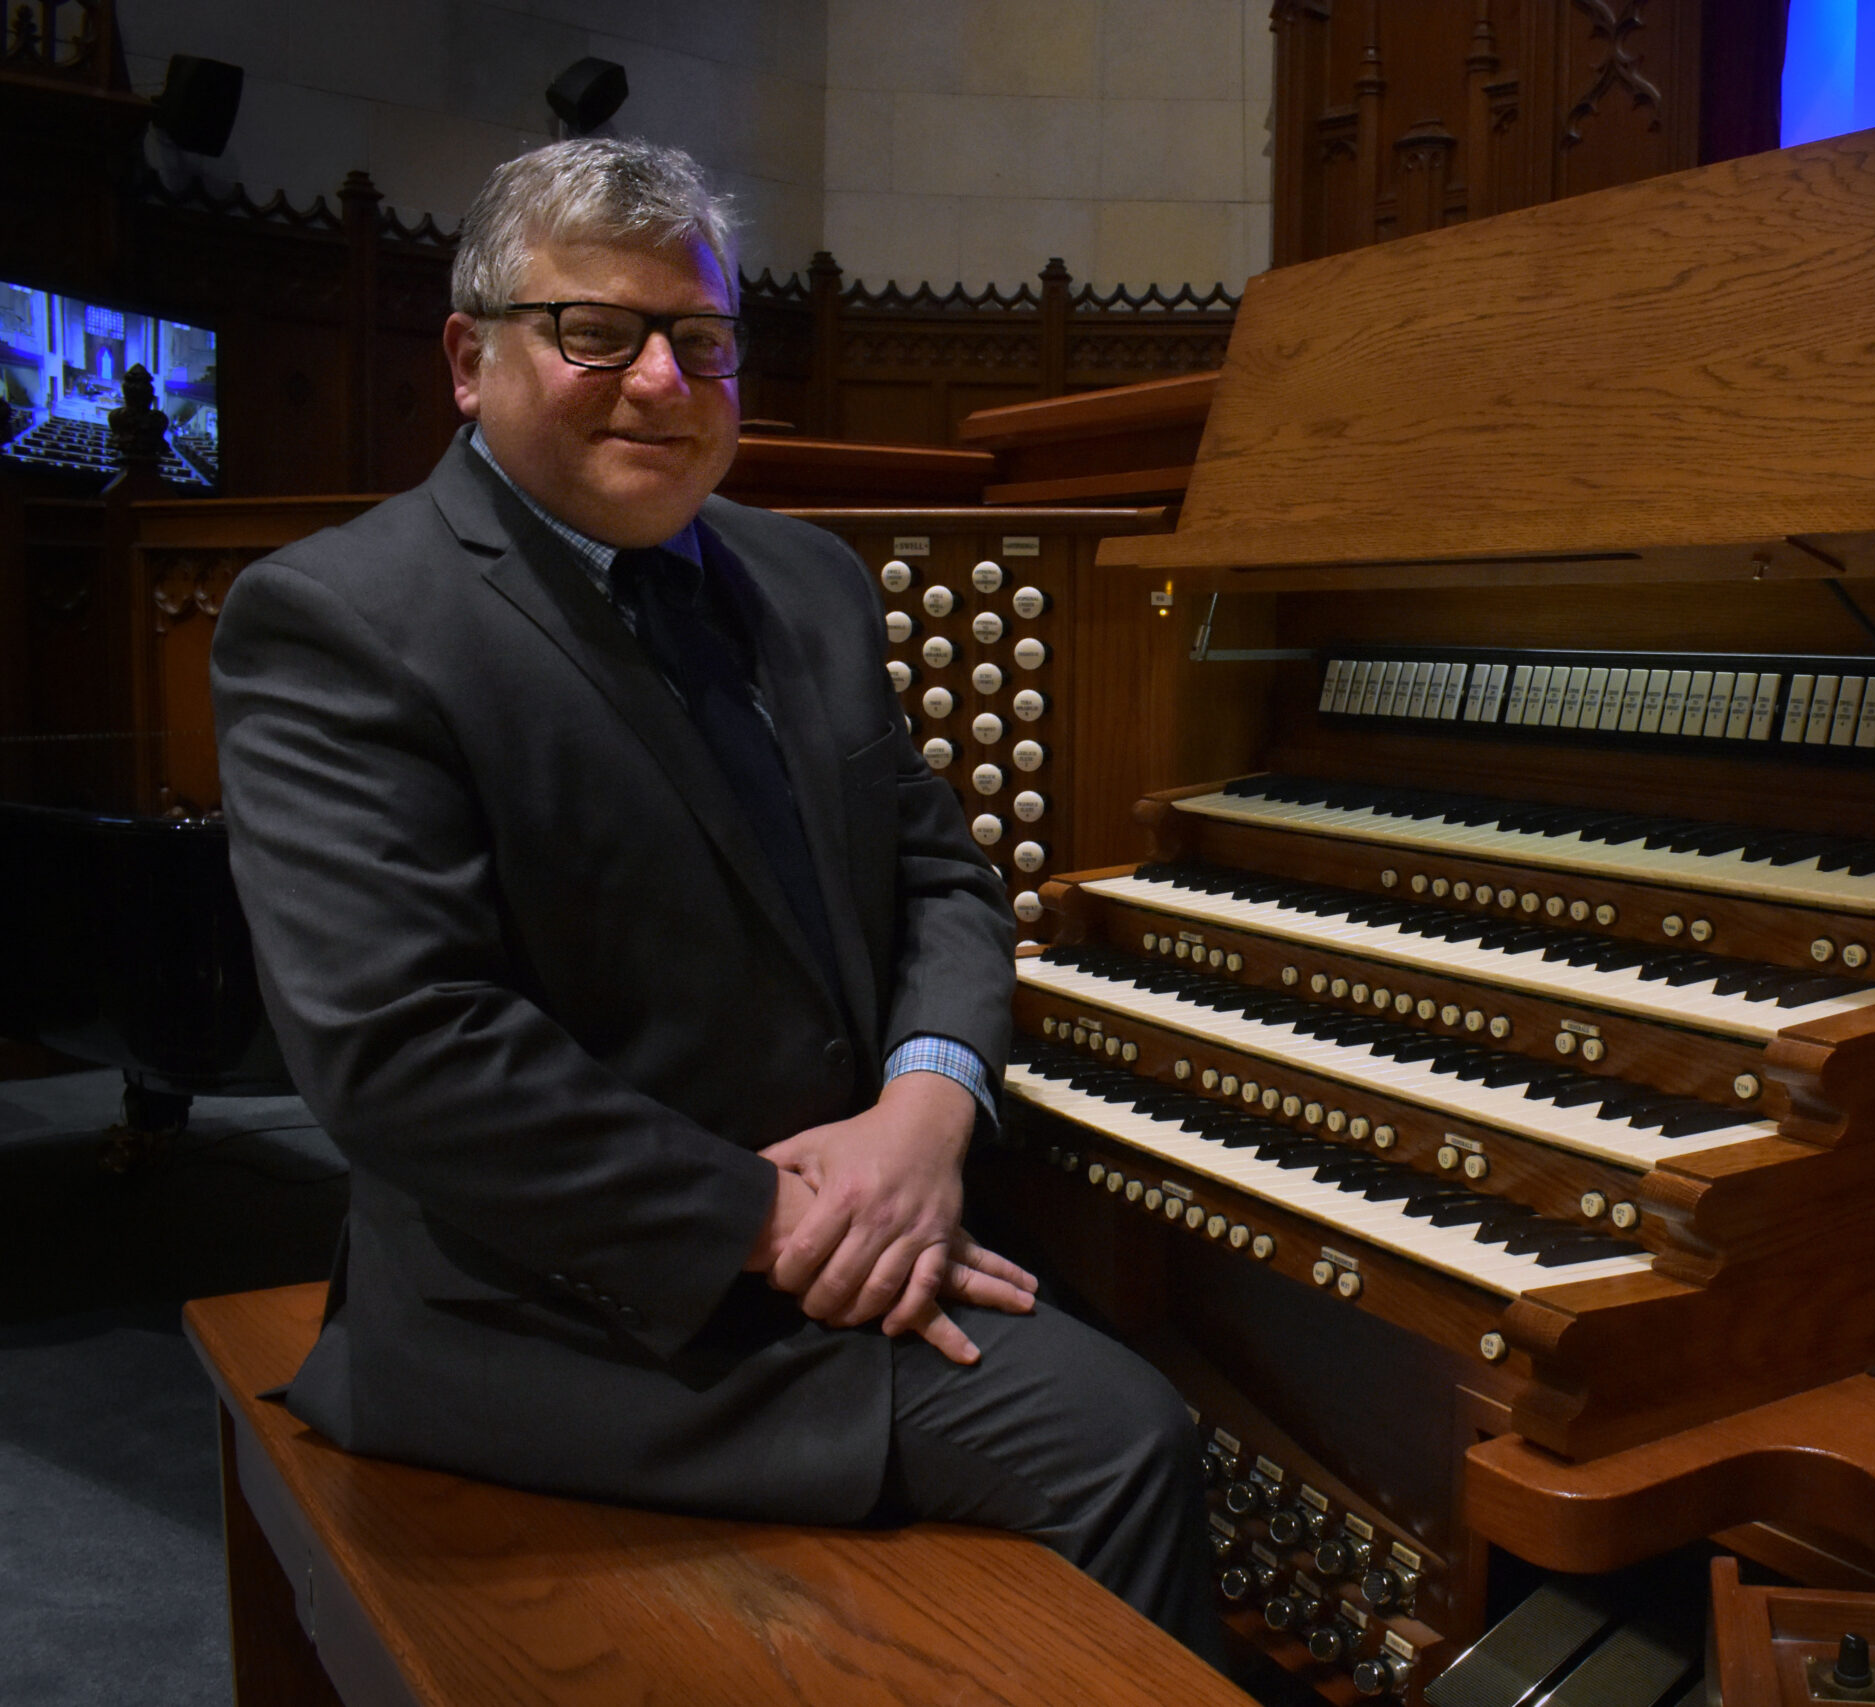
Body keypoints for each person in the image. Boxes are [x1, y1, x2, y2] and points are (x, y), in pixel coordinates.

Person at [210, 137, 1218, 1661]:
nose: (663, 383)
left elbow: (940, 873)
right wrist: (782, 1220)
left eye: (700, 339)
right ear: (468, 360)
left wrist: (926, 1112)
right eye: (595, 333)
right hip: (587, 1299)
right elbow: (403, 1056)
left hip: (864, 1199)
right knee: (1122, 1441)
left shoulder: (800, 579)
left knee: (1217, 1318)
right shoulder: (342, 620)